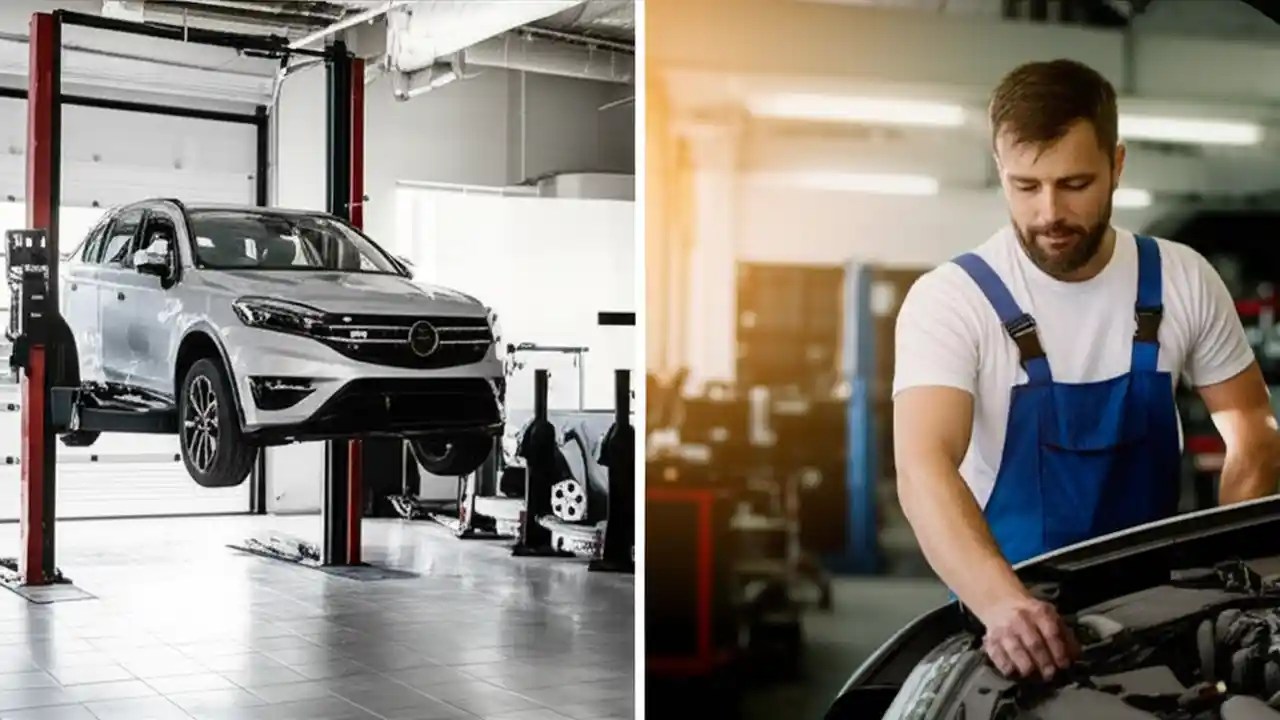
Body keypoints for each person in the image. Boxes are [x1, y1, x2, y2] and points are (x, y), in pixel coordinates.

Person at [891, 58, 1280, 683]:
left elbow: (1254, 435)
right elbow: (922, 466)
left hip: (1163, 618)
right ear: (1001, 171)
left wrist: (1230, 583)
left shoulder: (1180, 280)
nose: (1049, 213)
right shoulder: (953, 300)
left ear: (1116, 165)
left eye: (1074, 184)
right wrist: (1001, 604)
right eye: (1025, 185)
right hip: (1008, 624)